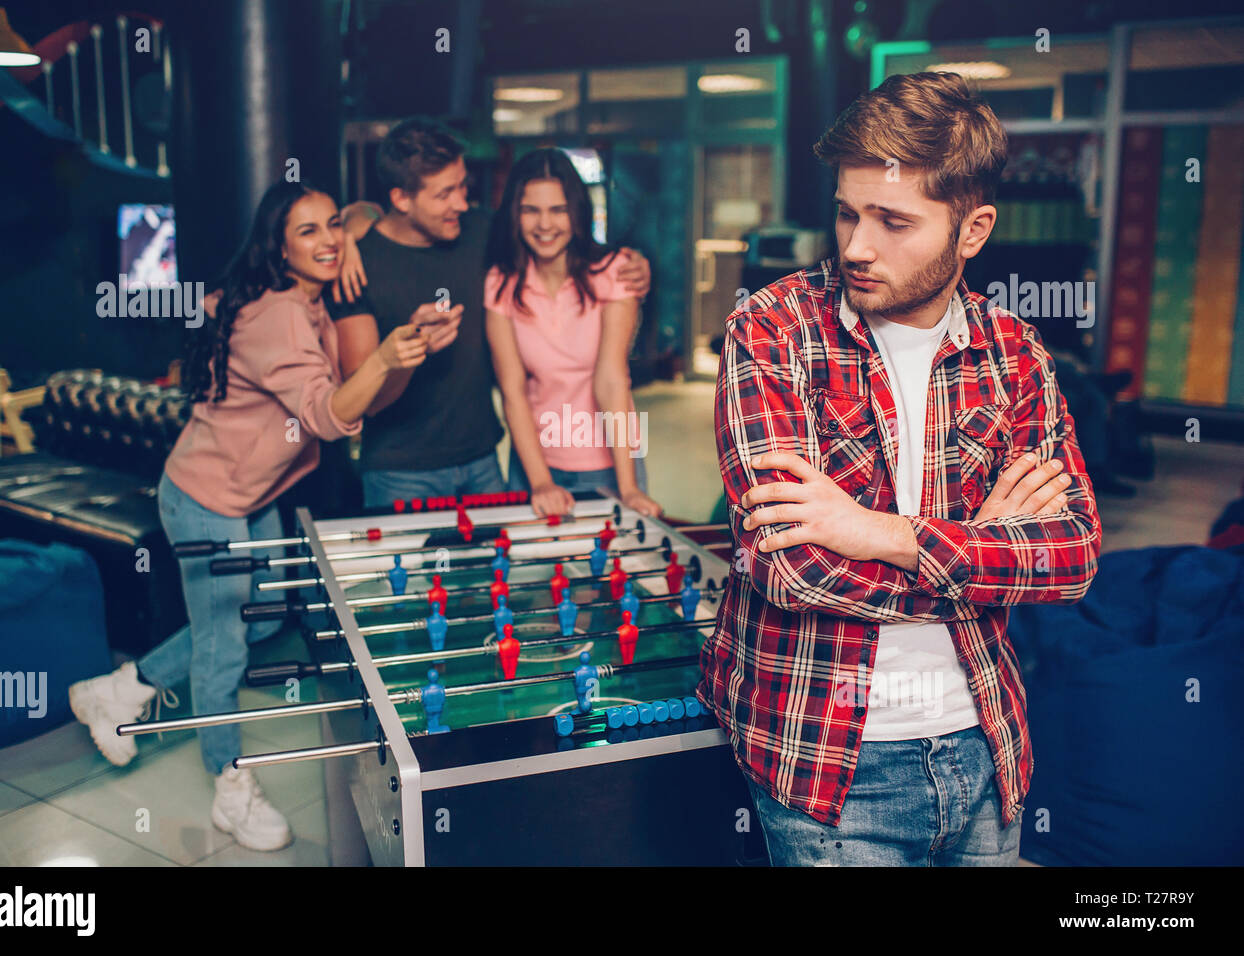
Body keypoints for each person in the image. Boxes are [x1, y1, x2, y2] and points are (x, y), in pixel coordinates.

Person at [703, 72, 1102, 866]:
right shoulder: (773, 328)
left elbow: (1073, 557)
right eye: (847, 212)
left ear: (972, 230)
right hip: (826, 761)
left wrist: (878, 532)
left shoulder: (1015, 353)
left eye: (893, 221)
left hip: (985, 745)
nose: (856, 245)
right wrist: (982, 548)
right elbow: (791, 570)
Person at [69, 180, 427, 851]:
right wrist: (382, 357)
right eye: (308, 232)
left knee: (255, 621)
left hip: (251, 492)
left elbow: (367, 212)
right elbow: (324, 415)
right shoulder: (279, 316)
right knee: (224, 643)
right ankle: (228, 786)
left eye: (331, 226)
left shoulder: (298, 293)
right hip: (206, 497)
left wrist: (349, 231)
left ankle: (122, 690)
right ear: (278, 247)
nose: (328, 240)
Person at [330, 117, 650, 510]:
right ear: (401, 199)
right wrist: (348, 230)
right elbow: (362, 399)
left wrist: (635, 265)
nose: (462, 203)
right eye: (445, 193)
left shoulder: (480, 231)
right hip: (401, 471)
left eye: (462, 187)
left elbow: (612, 377)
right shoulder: (359, 266)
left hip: (481, 461)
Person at [483, 148, 660, 518]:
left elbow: (611, 381)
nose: (545, 224)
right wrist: (540, 482)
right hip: (533, 462)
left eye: (558, 209)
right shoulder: (501, 282)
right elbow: (512, 391)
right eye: (531, 210)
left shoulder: (616, 272)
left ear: (577, 212)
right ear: (515, 213)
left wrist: (628, 488)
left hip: (608, 461)